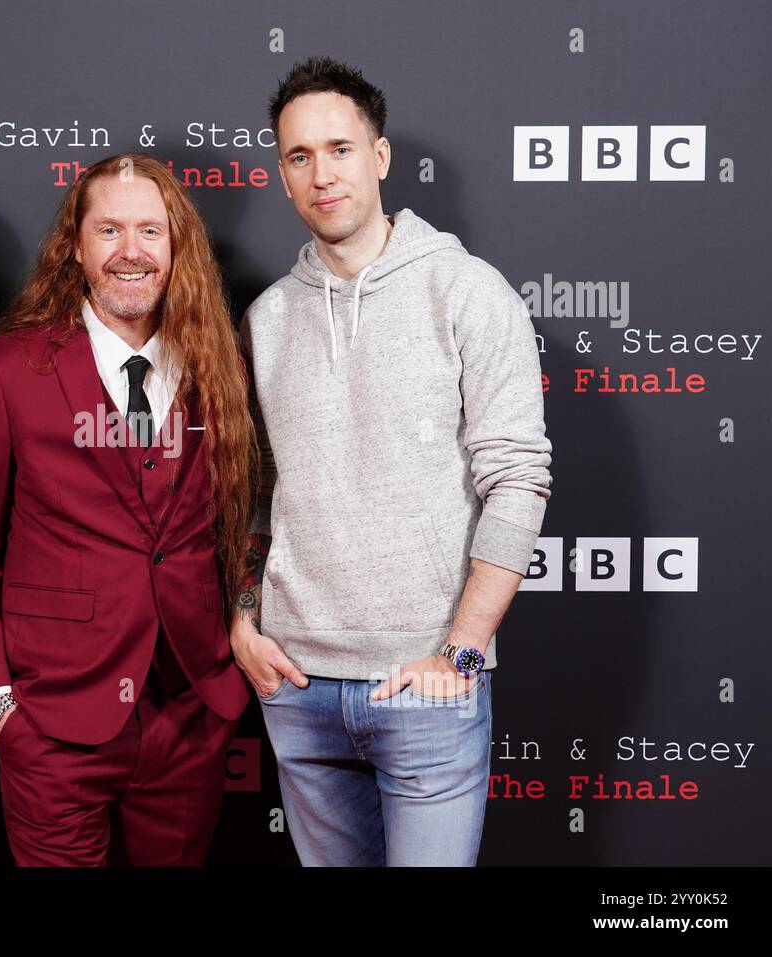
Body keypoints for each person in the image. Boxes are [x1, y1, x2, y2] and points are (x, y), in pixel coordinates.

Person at [233, 57, 552, 866]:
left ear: (380, 156)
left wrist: (463, 648)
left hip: (426, 682)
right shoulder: (266, 320)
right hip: (298, 686)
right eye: (299, 157)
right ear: (282, 173)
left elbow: (516, 479)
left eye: (340, 148)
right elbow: (257, 492)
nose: (321, 173)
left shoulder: (470, 294)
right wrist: (241, 616)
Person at [0, 153, 253, 866]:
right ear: (76, 246)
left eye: (151, 229)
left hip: (188, 718)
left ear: (177, 248)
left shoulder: (223, 371)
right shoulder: (7, 371)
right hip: (52, 723)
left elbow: (241, 524)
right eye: (109, 229)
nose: (131, 251)